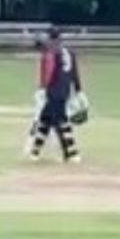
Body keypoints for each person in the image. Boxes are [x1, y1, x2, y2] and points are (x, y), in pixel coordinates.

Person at [26, 27, 87, 163]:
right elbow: (74, 74)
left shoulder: (53, 53)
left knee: (61, 122)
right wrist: (78, 90)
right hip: (64, 92)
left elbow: (49, 72)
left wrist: (43, 89)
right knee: (46, 120)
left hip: (54, 92)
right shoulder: (69, 53)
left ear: (52, 39)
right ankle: (35, 152)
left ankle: (72, 153)